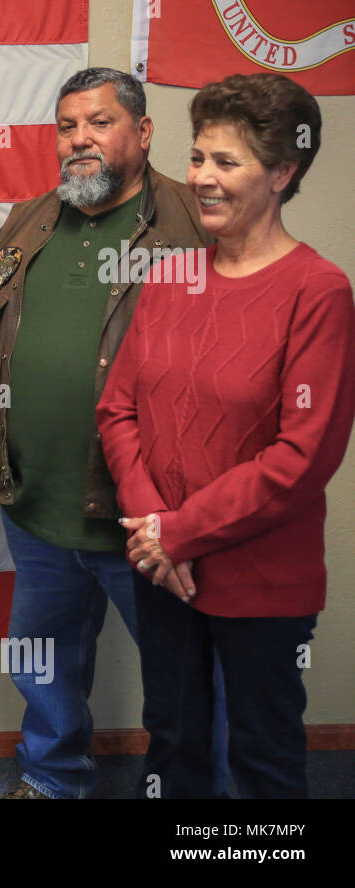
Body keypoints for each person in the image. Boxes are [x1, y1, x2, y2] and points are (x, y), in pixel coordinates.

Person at [0, 68, 227, 799]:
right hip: (37, 508)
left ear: (141, 132)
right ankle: (51, 778)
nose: (80, 139)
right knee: (44, 660)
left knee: (185, 679)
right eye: (67, 125)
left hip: (149, 516)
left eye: (99, 123)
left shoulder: (196, 224)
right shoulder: (28, 221)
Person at [97, 73, 354, 799]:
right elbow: (118, 412)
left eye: (226, 163)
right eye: (199, 158)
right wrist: (154, 531)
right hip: (163, 571)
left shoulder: (319, 291)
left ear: (281, 174)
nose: (202, 179)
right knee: (174, 748)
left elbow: (301, 460)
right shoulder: (170, 277)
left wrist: (177, 534)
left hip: (260, 581)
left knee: (262, 761)